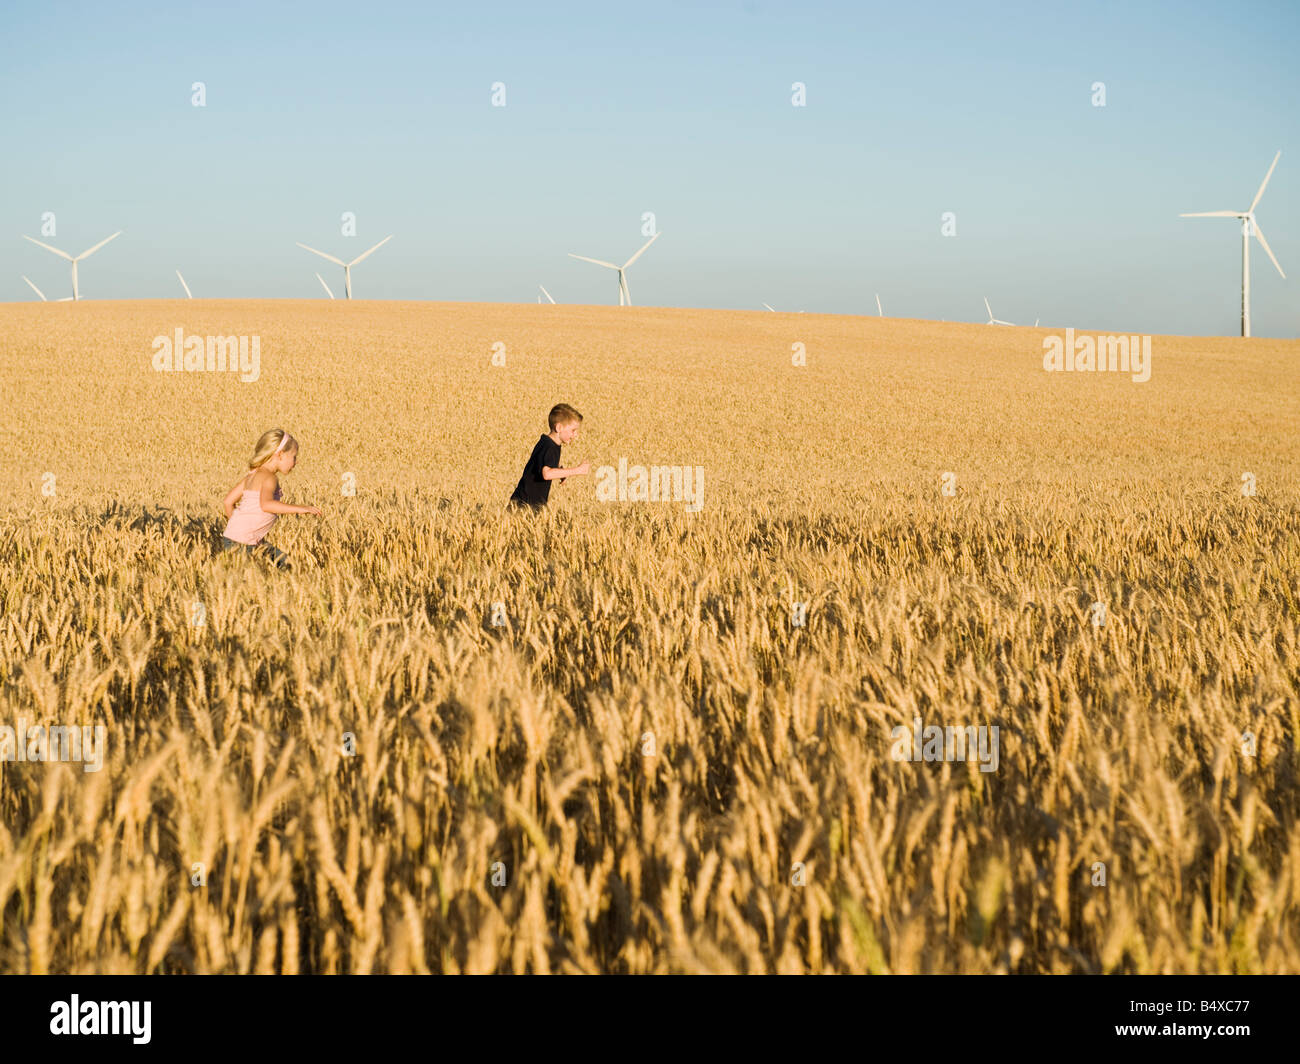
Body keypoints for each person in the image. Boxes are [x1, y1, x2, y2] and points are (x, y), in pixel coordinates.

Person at [220, 429, 321, 567]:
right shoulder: (270, 477)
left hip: (236, 538)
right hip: (244, 543)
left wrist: (238, 530)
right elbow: (266, 505)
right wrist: (301, 508)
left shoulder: (252, 475)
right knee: (286, 567)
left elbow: (228, 502)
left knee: (285, 564)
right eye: (294, 457)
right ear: (280, 455)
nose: (296, 462)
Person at [508, 403, 590, 509]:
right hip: (525, 504)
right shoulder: (549, 446)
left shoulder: (548, 443)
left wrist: (560, 472)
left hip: (527, 502)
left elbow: (545, 462)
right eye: (573, 430)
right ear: (559, 427)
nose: (576, 434)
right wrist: (577, 470)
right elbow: (547, 474)